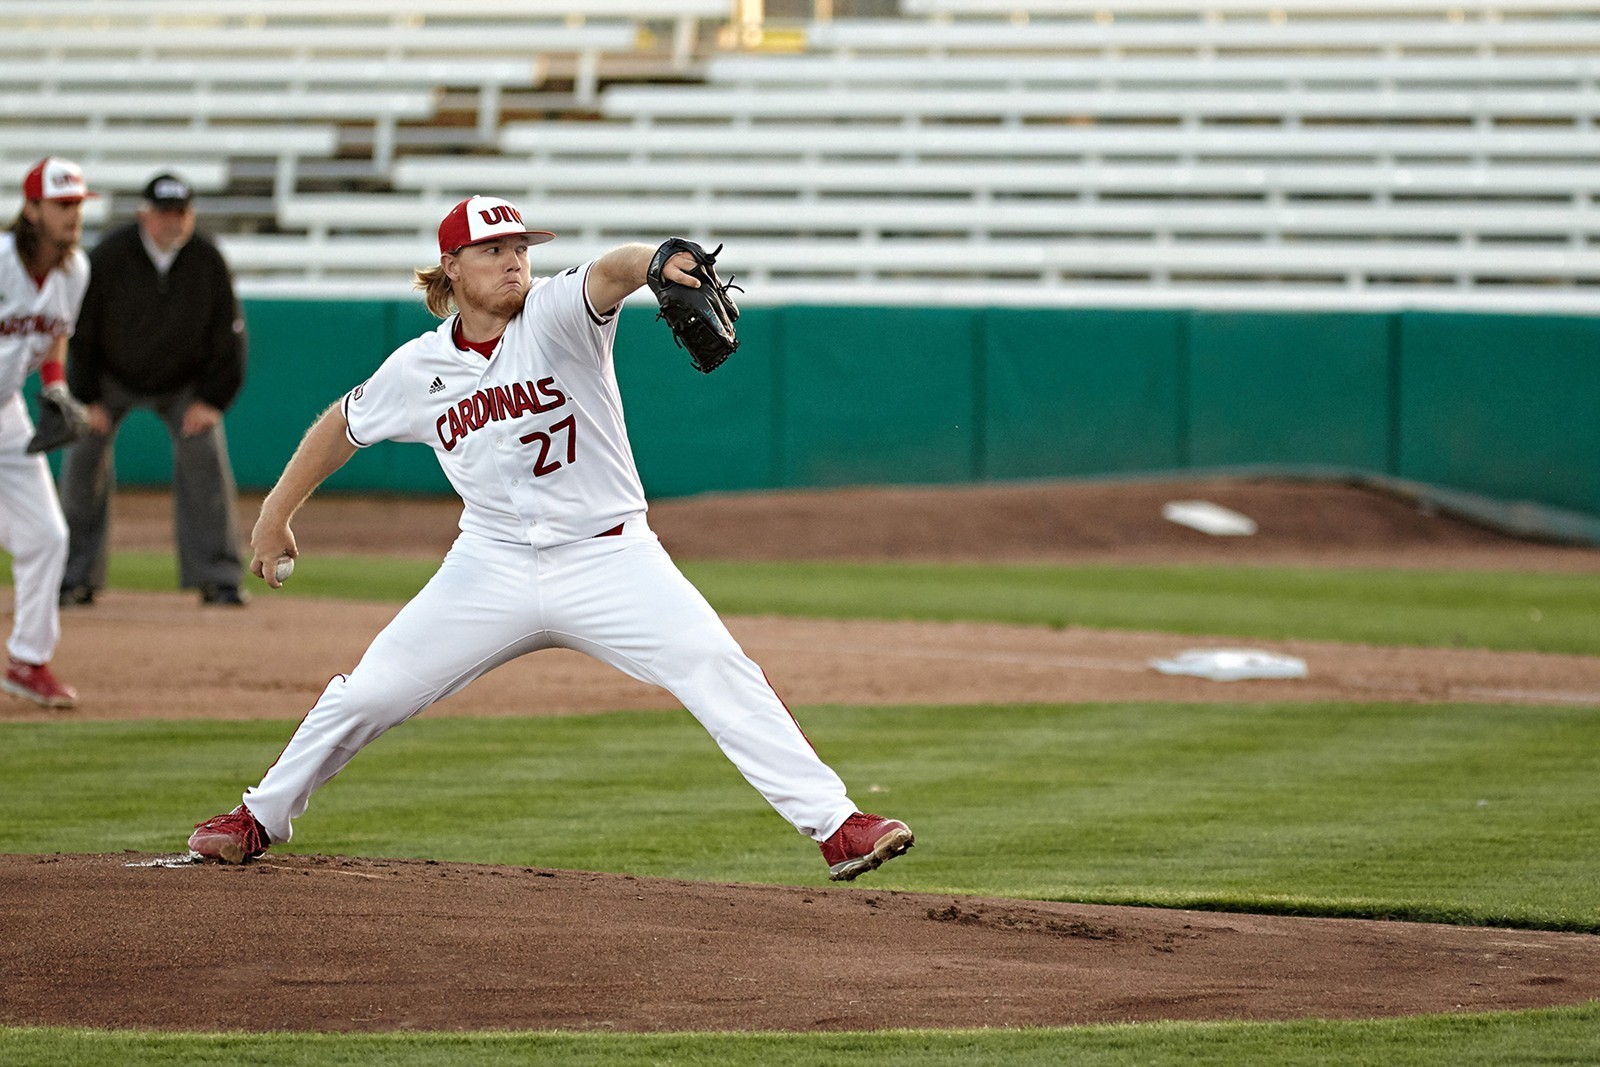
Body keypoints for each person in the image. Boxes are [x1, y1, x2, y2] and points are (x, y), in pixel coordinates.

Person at [187, 196, 915, 881]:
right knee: (368, 694)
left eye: (521, 247)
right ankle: (257, 815)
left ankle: (836, 823)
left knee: (714, 663)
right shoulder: (418, 367)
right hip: (490, 564)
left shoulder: (557, 315)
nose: (514, 260)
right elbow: (341, 427)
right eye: (493, 248)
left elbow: (611, 271)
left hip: (611, 555)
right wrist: (275, 513)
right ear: (451, 268)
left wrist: (659, 259)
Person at [59, 172, 249, 608]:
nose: (172, 222)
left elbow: (229, 336)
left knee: (205, 451)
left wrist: (211, 401)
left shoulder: (206, 258)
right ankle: (73, 575)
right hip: (112, 378)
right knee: (83, 449)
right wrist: (88, 399)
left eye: (180, 213)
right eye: (164, 213)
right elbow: (81, 332)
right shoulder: (108, 256)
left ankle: (218, 576)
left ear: (191, 215)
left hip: (182, 382)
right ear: (145, 215)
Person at [0, 158, 95, 709]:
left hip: (6, 409)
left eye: (79, 205)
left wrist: (56, 388)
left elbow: (55, 335)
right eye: (63, 206)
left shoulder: (74, 271)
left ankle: (26, 661)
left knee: (46, 535)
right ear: (31, 209)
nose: (73, 216)